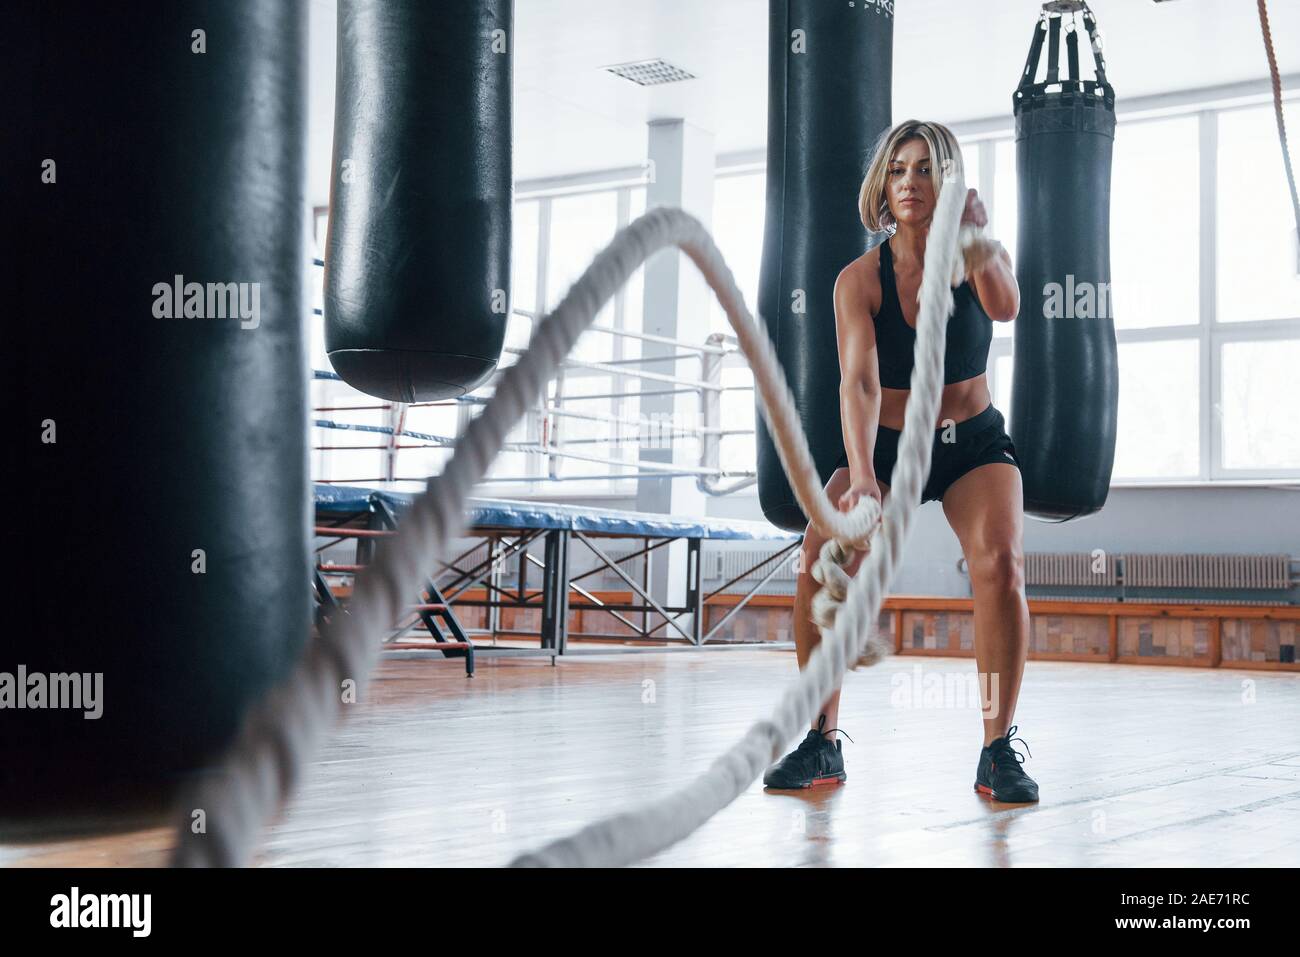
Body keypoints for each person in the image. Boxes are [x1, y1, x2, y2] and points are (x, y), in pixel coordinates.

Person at [762, 120, 1039, 803]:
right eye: (898, 170)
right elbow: (855, 383)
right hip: (883, 446)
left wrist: (977, 239)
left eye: (924, 169)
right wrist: (860, 478)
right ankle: (822, 740)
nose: (911, 182)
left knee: (1001, 563)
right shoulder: (860, 279)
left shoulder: (975, 254)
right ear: (883, 184)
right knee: (816, 558)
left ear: (947, 178)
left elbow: (1006, 305)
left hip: (969, 442)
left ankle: (996, 750)